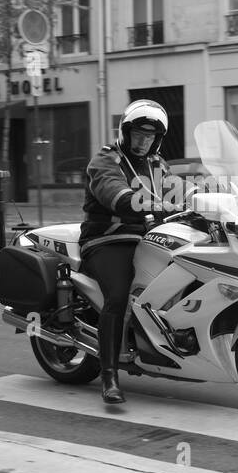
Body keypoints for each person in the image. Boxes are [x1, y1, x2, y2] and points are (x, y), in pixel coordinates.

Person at [79, 99, 180, 405]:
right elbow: (113, 191)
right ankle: (109, 374)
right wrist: (134, 201)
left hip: (147, 238)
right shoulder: (106, 159)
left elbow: (179, 190)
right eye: (138, 134)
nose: (143, 140)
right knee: (119, 295)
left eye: (150, 136)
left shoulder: (158, 164)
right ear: (126, 131)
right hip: (107, 239)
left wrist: (209, 200)